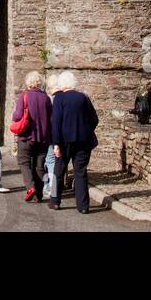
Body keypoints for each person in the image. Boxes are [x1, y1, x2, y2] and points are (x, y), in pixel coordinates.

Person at [48, 71, 99, 214]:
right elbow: (94, 119)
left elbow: (56, 123)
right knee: (80, 172)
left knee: (58, 171)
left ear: (62, 84)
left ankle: (55, 201)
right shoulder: (83, 97)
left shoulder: (59, 99)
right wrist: (86, 131)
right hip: (83, 141)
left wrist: (56, 143)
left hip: (64, 142)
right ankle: (83, 206)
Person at [11, 71, 52, 202]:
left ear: (28, 82)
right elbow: (51, 117)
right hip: (43, 137)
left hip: (26, 136)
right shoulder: (46, 97)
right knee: (39, 165)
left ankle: (30, 187)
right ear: (40, 82)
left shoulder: (25, 96)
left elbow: (17, 116)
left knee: (24, 162)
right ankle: (38, 195)